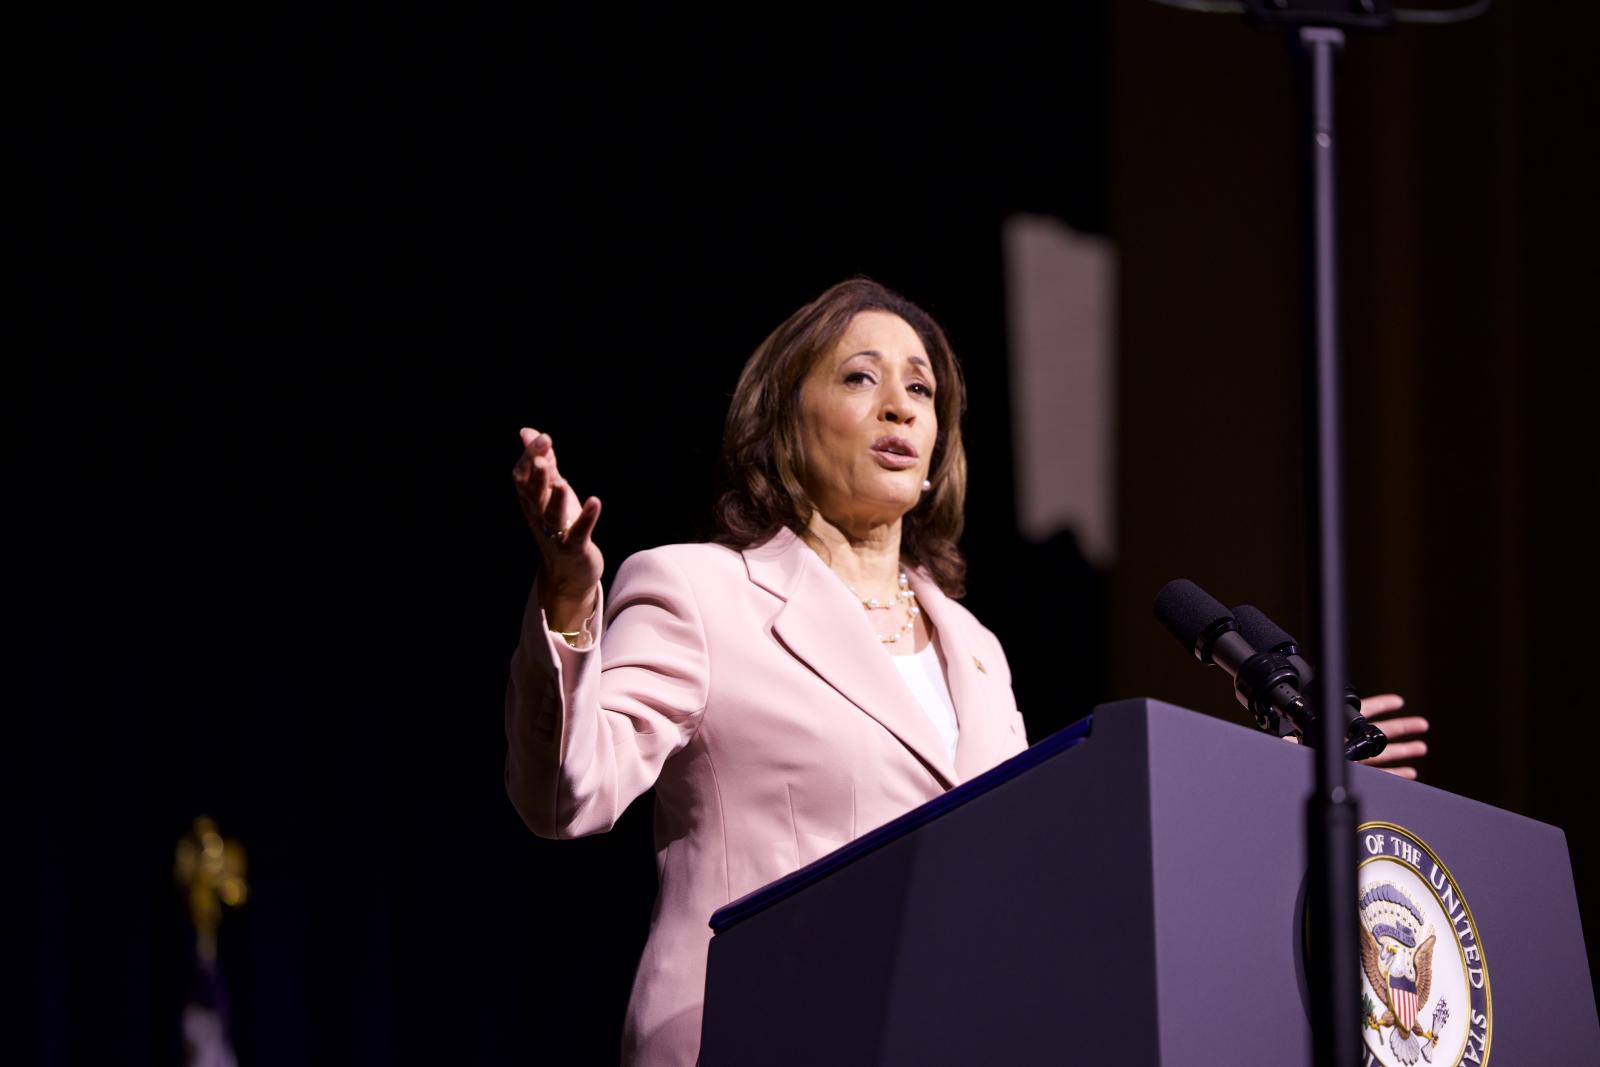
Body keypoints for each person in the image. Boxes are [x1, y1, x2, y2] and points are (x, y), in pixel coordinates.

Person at [503, 277, 1428, 1065]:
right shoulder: (700, 590)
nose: (902, 406)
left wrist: (1284, 790)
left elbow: (1044, 873)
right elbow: (566, 795)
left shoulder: (977, 652)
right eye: (861, 379)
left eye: (923, 389)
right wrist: (569, 604)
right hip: (753, 1037)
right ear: (785, 417)